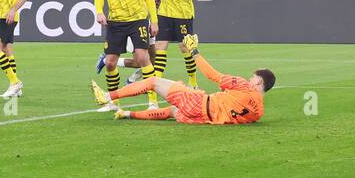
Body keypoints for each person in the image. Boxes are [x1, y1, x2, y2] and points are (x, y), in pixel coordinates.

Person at [91, 35, 274, 124]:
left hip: (199, 103)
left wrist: (194, 51)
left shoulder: (244, 86)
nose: (250, 79)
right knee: (172, 110)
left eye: (253, 78)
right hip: (202, 118)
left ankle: (107, 97)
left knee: (153, 81)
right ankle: (127, 114)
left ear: (258, 82)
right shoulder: (259, 112)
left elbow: (212, 75)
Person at [93, 0, 159, 110]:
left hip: (138, 18)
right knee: (110, 63)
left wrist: (154, 20)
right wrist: (99, 11)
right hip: (115, 20)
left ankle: (152, 102)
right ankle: (114, 102)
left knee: (142, 57)